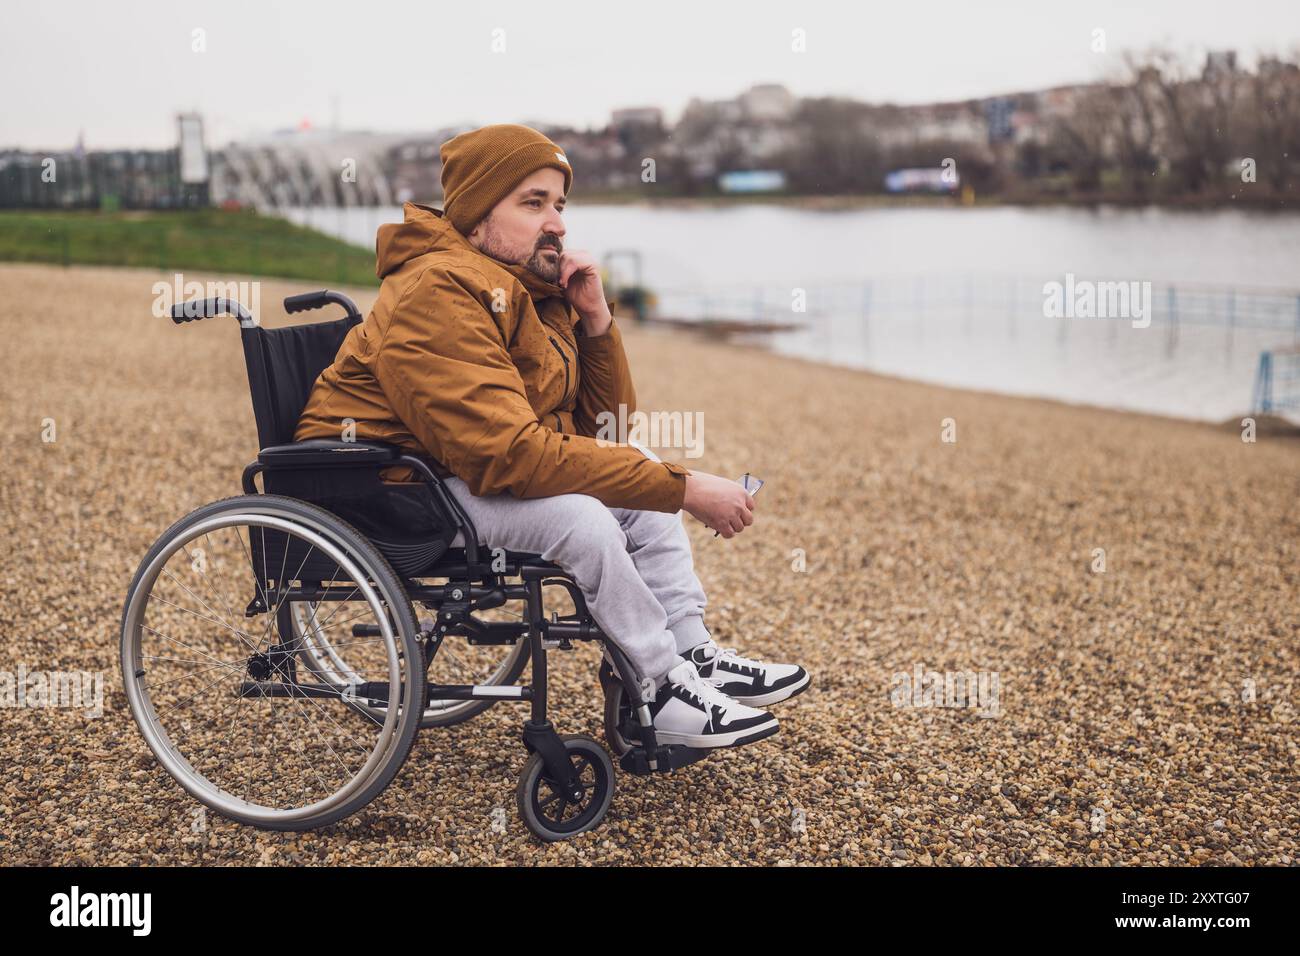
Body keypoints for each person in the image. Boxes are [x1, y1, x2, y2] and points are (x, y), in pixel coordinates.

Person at [296, 124, 810, 749]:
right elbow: (509, 455)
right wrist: (685, 488)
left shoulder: (523, 289)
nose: (557, 223)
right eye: (532, 202)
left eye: (559, 204)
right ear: (477, 213)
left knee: (636, 471)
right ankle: (658, 683)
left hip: (452, 472)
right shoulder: (436, 291)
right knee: (580, 519)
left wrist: (596, 322)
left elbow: (606, 430)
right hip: (390, 488)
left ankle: (691, 652)